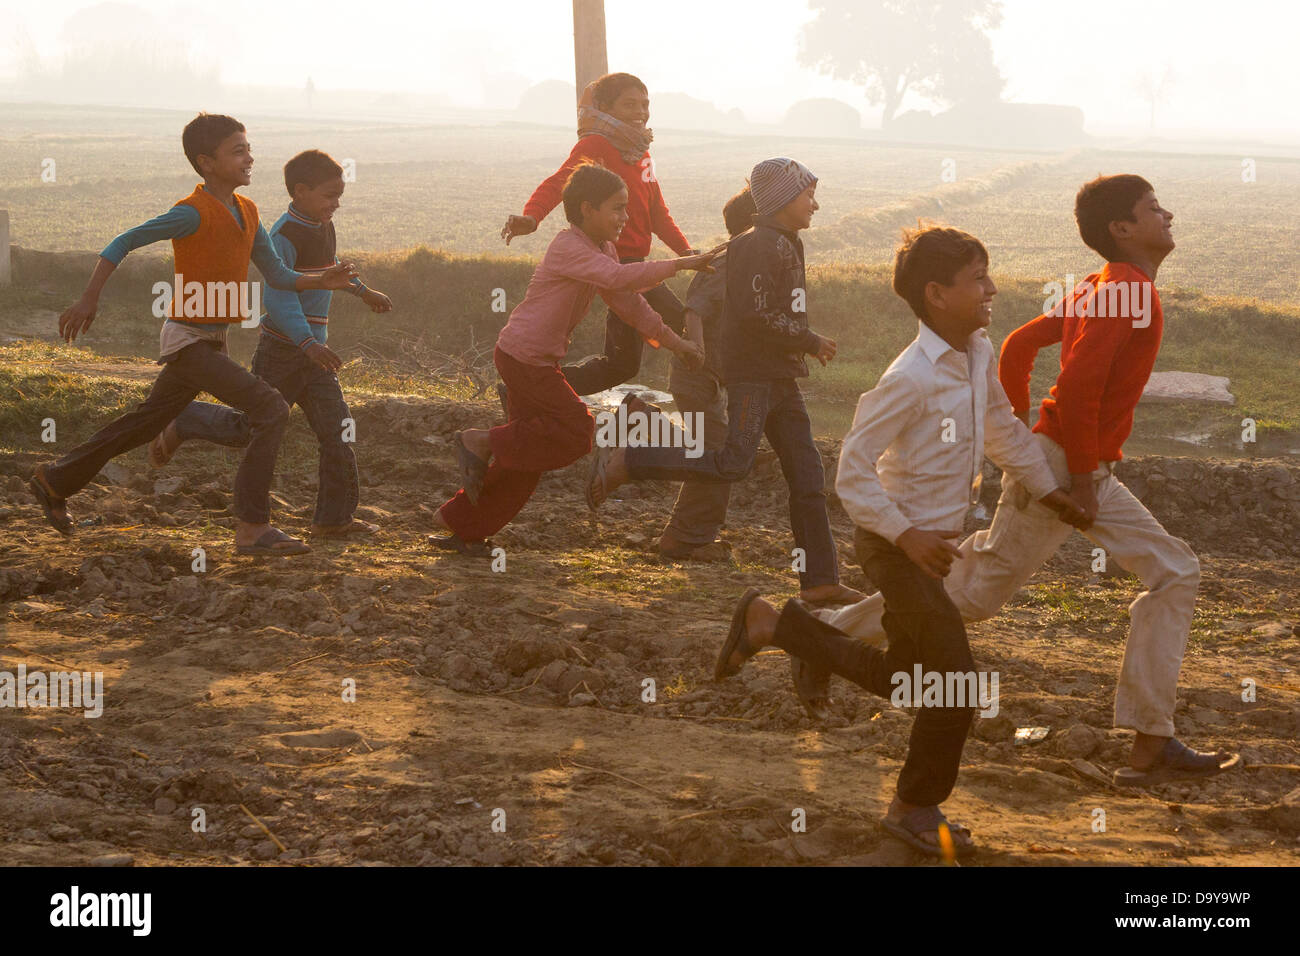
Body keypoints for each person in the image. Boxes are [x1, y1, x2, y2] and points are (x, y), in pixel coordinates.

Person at [793, 176, 1241, 789]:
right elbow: (1079, 388)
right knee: (980, 592)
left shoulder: (1101, 287)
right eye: (1154, 209)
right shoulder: (1128, 292)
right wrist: (1073, 474)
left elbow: (1022, 346)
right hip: (1072, 465)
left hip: (1062, 460)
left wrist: (1022, 435)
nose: (1169, 215)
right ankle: (817, 637)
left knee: (1162, 571)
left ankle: (1150, 738)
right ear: (1123, 230)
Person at [718, 225, 1089, 857]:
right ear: (937, 294)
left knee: (912, 679)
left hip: (933, 547)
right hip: (895, 547)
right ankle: (915, 808)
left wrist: (1050, 492)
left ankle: (780, 628)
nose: (992, 287)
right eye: (978, 278)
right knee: (957, 684)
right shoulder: (910, 378)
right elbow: (852, 470)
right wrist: (905, 533)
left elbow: (1000, 424)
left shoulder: (977, 351)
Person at [28, 113, 358, 555]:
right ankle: (252, 528)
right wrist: (89, 299)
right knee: (271, 408)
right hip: (187, 342)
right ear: (207, 162)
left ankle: (54, 480)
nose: (249, 157)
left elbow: (278, 274)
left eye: (248, 148)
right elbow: (122, 242)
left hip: (210, 342)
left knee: (142, 425)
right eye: (237, 151)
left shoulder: (247, 211)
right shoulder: (191, 213)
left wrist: (324, 280)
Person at [588, 157, 863, 606]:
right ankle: (633, 461)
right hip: (754, 376)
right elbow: (757, 315)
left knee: (808, 474)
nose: (815, 204)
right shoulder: (756, 245)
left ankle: (820, 580)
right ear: (779, 200)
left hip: (780, 376)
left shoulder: (785, 242)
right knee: (734, 461)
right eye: (807, 195)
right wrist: (809, 339)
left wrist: (799, 346)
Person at [429, 163, 714, 552]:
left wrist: (678, 345)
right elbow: (618, 280)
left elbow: (630, 305)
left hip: (535, 359)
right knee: (577, 431)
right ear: (586, 209)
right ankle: (480, 440)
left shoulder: (602, 251)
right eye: (616, 208)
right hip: (524, 357)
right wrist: (681, 264)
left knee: (526, 460)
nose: (625, 218)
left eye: (626, 208)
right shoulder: (568, 246)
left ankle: (462, 524)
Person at [147, 149, 394, 539]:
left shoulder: (320, 224)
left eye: (339, 195)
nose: (336, 204)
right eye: (329, 195)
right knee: (250, 427)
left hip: (314, 353)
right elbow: (279, 297)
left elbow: (329, 272)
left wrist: (363, 291)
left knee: (338, 429)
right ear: (300, 191)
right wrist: (307, 342)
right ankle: (187, 419)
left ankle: (334, 520)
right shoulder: (283, 235)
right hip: (285, 350)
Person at [500, 72, 695, 397]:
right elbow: (561, 181)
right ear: (605, 107)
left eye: (645, 104)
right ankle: (711, 396)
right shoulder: (596, 145)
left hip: (633, 261)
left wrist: (687, 253)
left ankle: (533, 390)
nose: (640, 111)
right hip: (610, 261)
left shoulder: (642, 153)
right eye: (629, 103)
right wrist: (532, 217)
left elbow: (658, 214)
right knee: (680, 320)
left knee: (623, 365)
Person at [655, 187, 756, 561]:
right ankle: (686, 539)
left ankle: (687, 534)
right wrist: (696, 350)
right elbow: (694, 309)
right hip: (696, 375)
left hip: (709, 377)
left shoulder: (744, 260)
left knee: (710, 450)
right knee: (715, 453)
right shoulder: (730, 260)